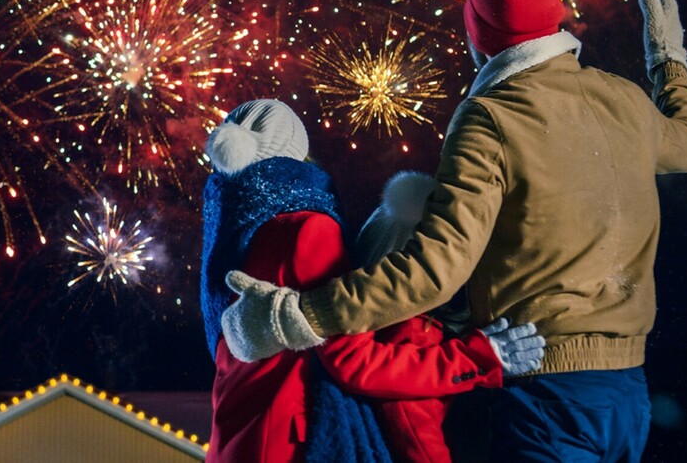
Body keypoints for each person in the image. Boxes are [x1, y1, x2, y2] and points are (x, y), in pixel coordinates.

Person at [219, 0, 687, 461]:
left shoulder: (492, 115)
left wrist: (299, 316)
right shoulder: (624, 99)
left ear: (479, 37)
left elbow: (436, 269)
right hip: (628, 391)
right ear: (556, 16)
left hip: (546, 391)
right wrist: (669, 62)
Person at [202, 99, 544, 463]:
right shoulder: (309, 228)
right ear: (297, 152)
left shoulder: (226, 235)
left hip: (235, 440)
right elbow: (352, 359)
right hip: (288, 444)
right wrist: (476, 357)